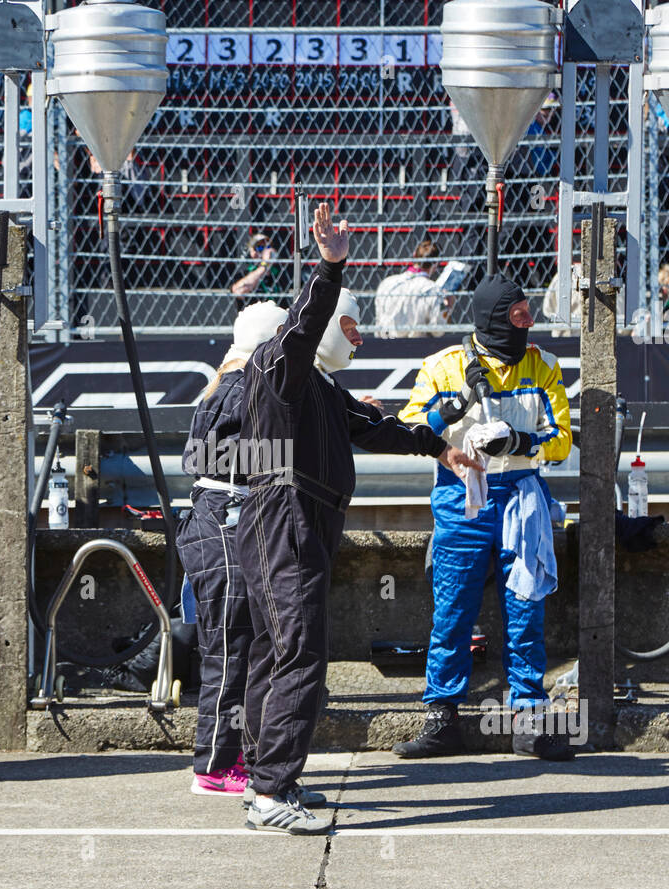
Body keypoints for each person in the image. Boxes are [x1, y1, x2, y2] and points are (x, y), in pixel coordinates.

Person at [239, 204, 477, 834]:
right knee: (298, 651)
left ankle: (263, 775)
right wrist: (330, 266)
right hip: (284, 519)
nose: (359, 336)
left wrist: (438, 443)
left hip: (299, 522)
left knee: (274, 650)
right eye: (351, 323)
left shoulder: (319, 387)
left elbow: (377, 427)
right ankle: (271, 793)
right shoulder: (280, 366)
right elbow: (305, 323)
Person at [394, 273, 574, 762]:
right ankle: (442, 718)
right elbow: (409, 431)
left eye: (529, 313)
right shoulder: (442, 366)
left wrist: (518, 442)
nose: (528, 322)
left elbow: (561, 439)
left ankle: (529, 722)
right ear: (495, 318)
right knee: (452, 610)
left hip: (521, 497)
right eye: (518, 316)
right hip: (461, 497)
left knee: (526, 611)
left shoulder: (544, 365)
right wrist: (443, 416)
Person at [176, 301, 287, 797]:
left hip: (223, 516)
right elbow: (197, 457)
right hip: (222, 518)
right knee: (229, 645)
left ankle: (231, 755)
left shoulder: (233, 381)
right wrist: (291, 457)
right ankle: (214, 767)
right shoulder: (241, 385)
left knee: (238, 643)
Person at [374, 237, 454, 338]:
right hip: (417, 346)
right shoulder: (432, 289)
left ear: (414, 255)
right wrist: (448, 307)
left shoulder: (387, 283)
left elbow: (379, 321)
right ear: (435, 265)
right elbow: (437, 331)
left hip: (385, 343)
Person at [230, 233, 281, 303]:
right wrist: (264, 265)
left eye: (268, 247)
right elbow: (238, 291)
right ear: (252, 253)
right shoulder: (243, 274)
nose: (266, 251)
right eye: (260, 248)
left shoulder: (279, 274)